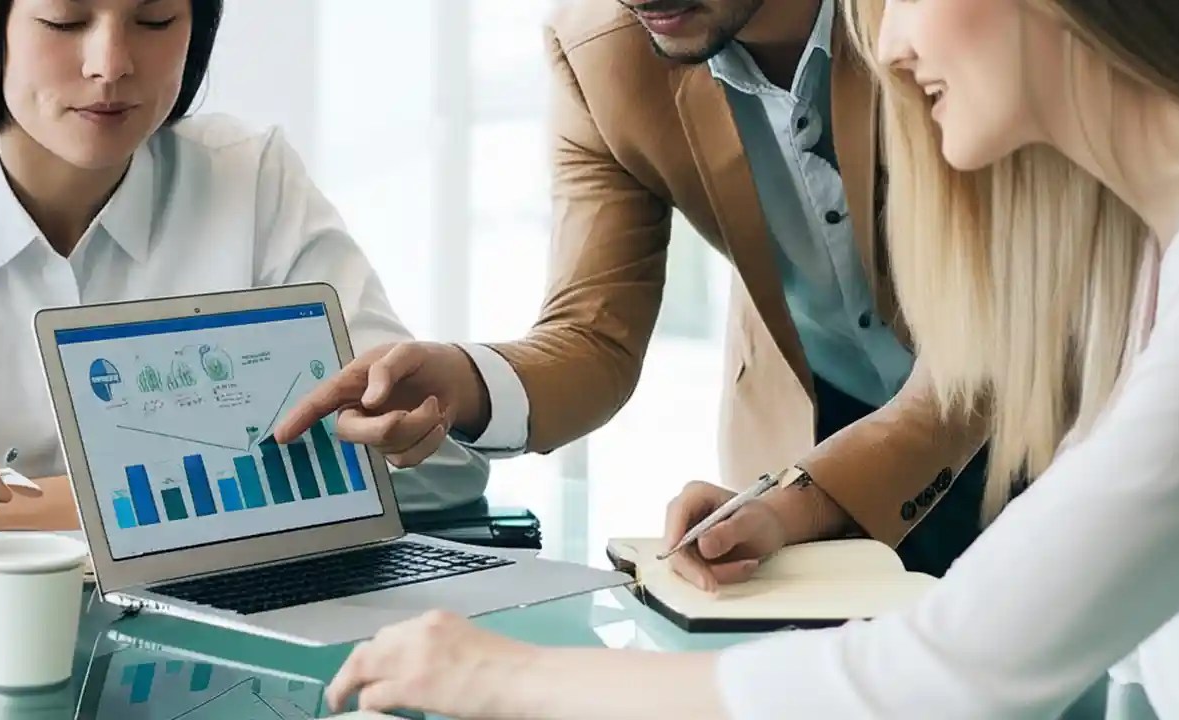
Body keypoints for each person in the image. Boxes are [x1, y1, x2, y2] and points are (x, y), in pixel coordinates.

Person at [321, 0, 1179, 717]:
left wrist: (502, 680)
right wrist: (465, 380)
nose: (891, 39)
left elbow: (945, 675)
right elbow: (591, 329)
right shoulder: (1161, 259)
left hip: (1010, 450)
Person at [278, 0, 991, 581]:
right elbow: (594, 335)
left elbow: (997, 337)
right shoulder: (603, 53)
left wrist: (803, 501)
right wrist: (462, 383)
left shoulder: (944, 21)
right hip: (800, 452)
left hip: (1032, 421)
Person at [0, 0, 490, 554]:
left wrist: (0, 515)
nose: (110, 65)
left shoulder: (247, 180)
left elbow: (433, 463)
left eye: (154, 22)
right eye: (64, 21)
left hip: (213, 618)